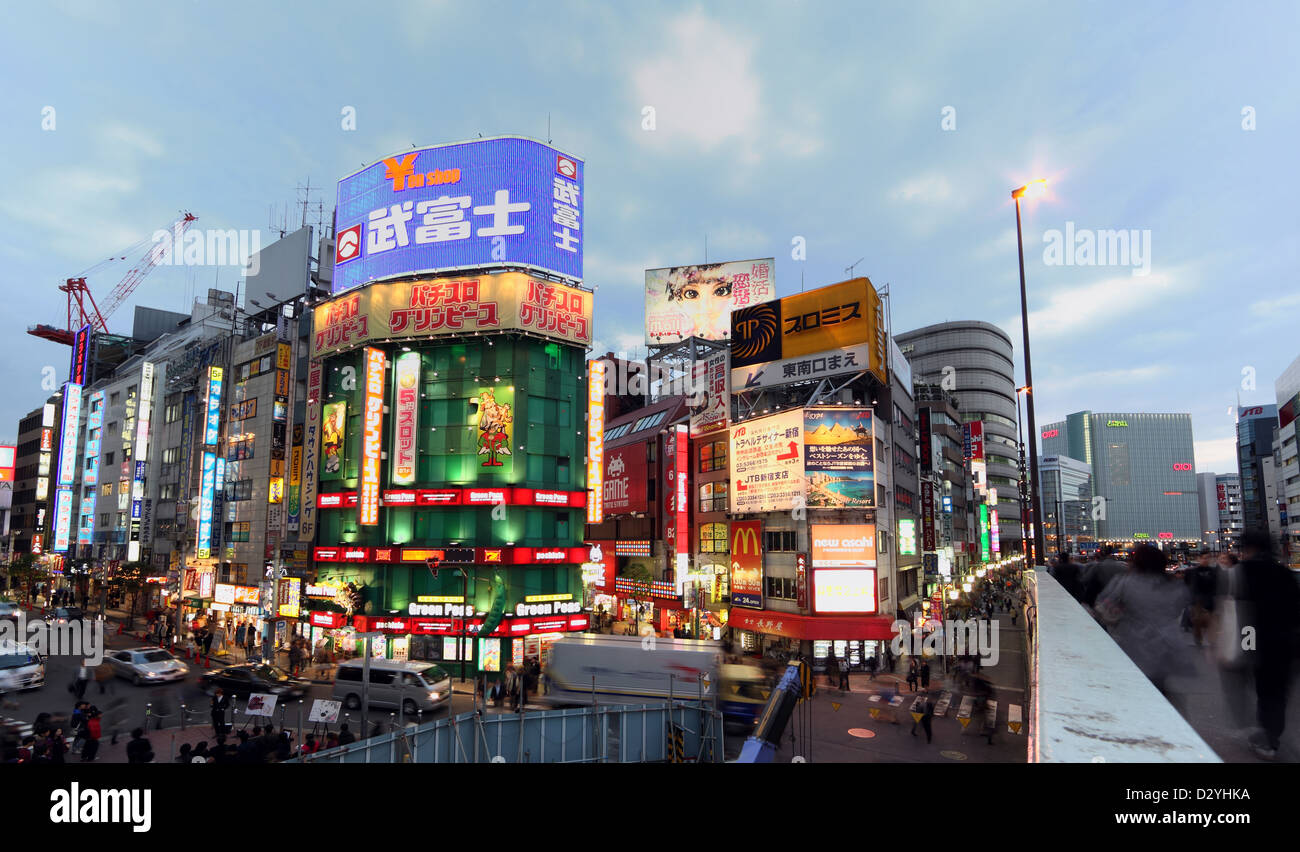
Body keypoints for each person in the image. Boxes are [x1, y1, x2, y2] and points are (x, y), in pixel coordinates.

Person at [1094, 545, 1192, 704]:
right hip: (1166, 644)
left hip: (1134, 641)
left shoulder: (1126, 582)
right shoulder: (1173, 584)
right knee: (1159, 686)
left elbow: (1104, 606)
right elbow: (1179, 608)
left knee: (1136, 691)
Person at [1233, 530, 1300, 759]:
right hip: (1286, 642)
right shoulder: (1284, 572)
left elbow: (1243, 612)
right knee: (1278, 692)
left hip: (1258, 639)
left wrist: (1247, 646)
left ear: (1248, 548)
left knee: (1265, 690)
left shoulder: (1243, 572)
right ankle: (1272, 734)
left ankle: (1268, 739)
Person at [1185, 550, 1218, 646]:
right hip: (1197, 600)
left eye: (1207, 558)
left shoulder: (1213, 571)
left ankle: (1211, 640)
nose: (1205, 560)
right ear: (1199, 559)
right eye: (1203, 558)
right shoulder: (1193, 572)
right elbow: (1189, 585)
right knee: (1197, 621)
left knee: (1210, 621)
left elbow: (1215, 585)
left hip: (1209, 599)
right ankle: (1199, 640)